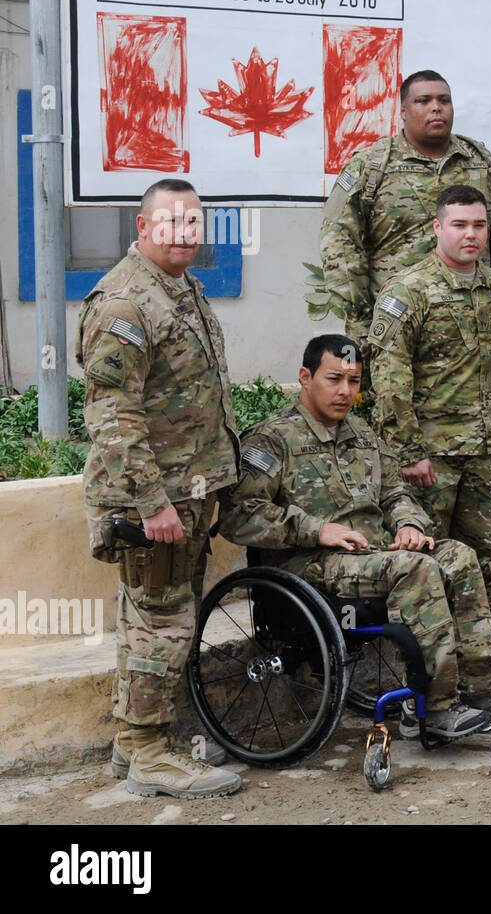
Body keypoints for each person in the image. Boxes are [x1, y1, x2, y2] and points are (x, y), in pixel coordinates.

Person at [220, 335, 491, 737]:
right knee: (415, 569)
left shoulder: (363, 434)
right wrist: (317, 529)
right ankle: (431, 710)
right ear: (304, 377)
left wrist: (407, 524)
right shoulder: (271, 440)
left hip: (375, 554)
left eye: (354, 380)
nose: (345, 391)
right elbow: (239, 515)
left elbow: (395, 492)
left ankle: (480, 689)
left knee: (460, 557)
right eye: (334, 379)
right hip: (311, 565)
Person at [79, 178, 242, 798]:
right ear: (142, 228)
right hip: (154, 500)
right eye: (171, 221)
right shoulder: (124, 303)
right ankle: (150, 754)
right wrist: (152, 504)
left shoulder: (182, 290)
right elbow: (112, 418)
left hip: (188, 491)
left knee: (154, 617)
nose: (185, 232)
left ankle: (131, 746)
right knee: (162, 624)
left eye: (194, 222)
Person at [369, 185, 491, 586]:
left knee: (485, 549)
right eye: (459, 225)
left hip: (487, 450)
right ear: (437, 227)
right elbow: (389, 375)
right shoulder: (408, 290)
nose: (470, 234)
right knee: (426, 556)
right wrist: (407, 451)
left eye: (479, 225)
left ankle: (474, 641)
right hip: (433, 455)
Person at [316, 70, 491, 343]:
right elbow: (339, 242)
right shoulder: (371, 165)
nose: (436, 107)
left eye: (444, 100)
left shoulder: (481, 162)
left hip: (473, 323)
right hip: (396, 321)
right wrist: (360, 318)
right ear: (403, 111)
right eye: (423, 101)